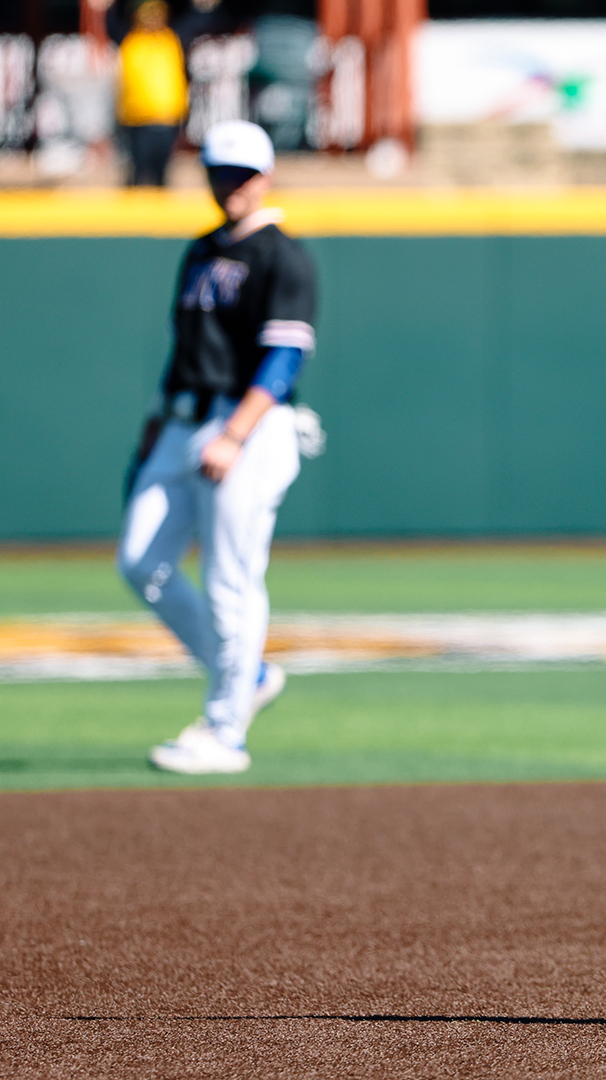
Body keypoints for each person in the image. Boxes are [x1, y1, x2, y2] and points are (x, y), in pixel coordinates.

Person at [120, 119, 316, 775]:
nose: (229, 184)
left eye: (241, 173)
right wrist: (156, 420)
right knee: (141, 562)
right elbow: (185, 349)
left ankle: (226, 730)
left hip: (247, 425)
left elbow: (284, 357)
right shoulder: (202, 248)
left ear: (264, 176)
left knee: (232, 579)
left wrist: (237, 434)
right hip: (184, 420)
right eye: (219, 172)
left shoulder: (283, 255)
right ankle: (248, 675)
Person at [116, 0, 189, 188]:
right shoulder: (129, 39)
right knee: (138, 174)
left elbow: (196, 22)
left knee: (162, 175)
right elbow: (108, 26)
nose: (152, 18)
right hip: (137, 121)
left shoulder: (172, 38)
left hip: (167, 119)